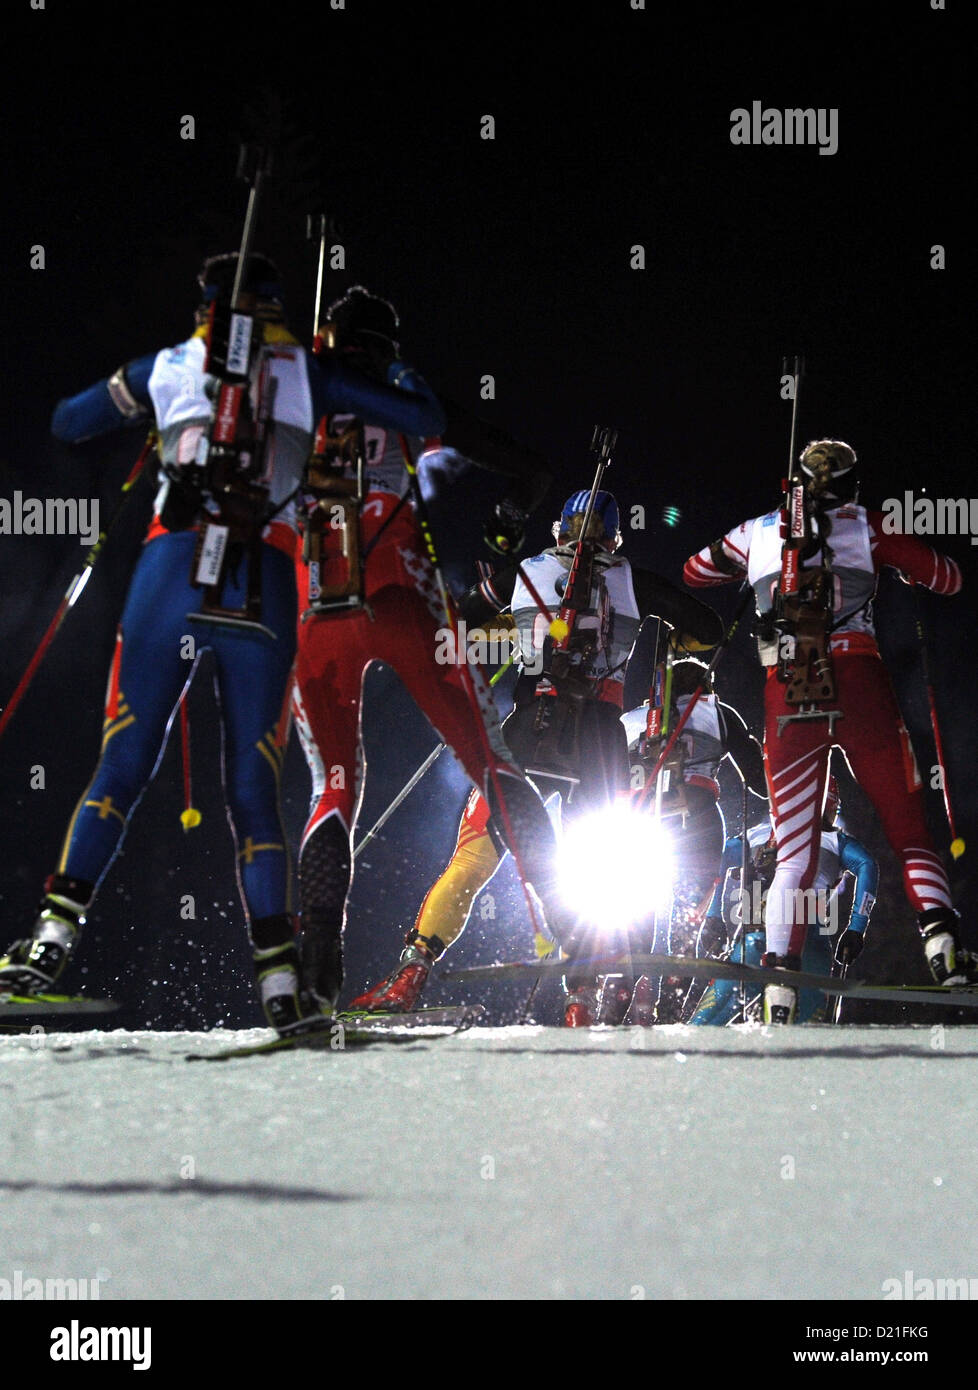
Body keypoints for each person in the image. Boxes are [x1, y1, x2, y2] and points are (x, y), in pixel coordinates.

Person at [0, 254, 446, 1037]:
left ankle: (49, 944)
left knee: (125, 760)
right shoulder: (307, 368)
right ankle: (280, 979)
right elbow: (425, 418)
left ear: (207, 303)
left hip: (175, 565)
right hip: (266, 578)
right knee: (253, 786)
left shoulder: (172, 362)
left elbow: (67, 422)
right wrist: (348, 372)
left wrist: (150, 399)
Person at [291, 286, 567, 1016]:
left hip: (321, 604)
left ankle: (315, 966)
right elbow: (528, 468)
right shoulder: (406, 395)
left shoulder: (289, 390)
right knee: (491, 770)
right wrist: (505, 533)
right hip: (408, 595)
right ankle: (575, 936)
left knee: (335, 787)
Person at [349, 489, 724, 1024]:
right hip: (597, 742)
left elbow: (453, 621)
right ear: (615, 538)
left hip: (530, 731)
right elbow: (708, 629)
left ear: (559, 530)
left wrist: (506, 625)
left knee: (476, 855)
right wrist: (672, 634)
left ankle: (411, 973)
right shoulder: (635, 580)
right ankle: (583, 998)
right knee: (597, 867)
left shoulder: (526, 571)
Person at [685, 438, 963, 1023]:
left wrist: (756, 560)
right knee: (908, 827)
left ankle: (778, 984)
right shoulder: (868, 524)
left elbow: (694, 569)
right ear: (852, 484)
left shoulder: (758, 529)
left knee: (794, 853)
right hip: (861, 681)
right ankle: (943, 945)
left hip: (786, 687)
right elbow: (948, 578)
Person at [614, 659, 767, 1023]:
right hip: (698, 824)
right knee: (685, 925)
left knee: (637, 922)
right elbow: (760, 785)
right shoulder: (718, 713)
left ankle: (612, 1004)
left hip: (645, 823)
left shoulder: (634, 719)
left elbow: (608, 776)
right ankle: (673, 1009)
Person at [688, 776, 879, 1024]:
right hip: (804, 942)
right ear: (830, 806)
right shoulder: (835, 841)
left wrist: (713, 917)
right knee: (805, 1033)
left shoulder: (759, 833)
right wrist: (856, 929)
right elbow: (868, 866)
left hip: (760, 940)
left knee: (707, 1022)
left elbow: (719, 858)